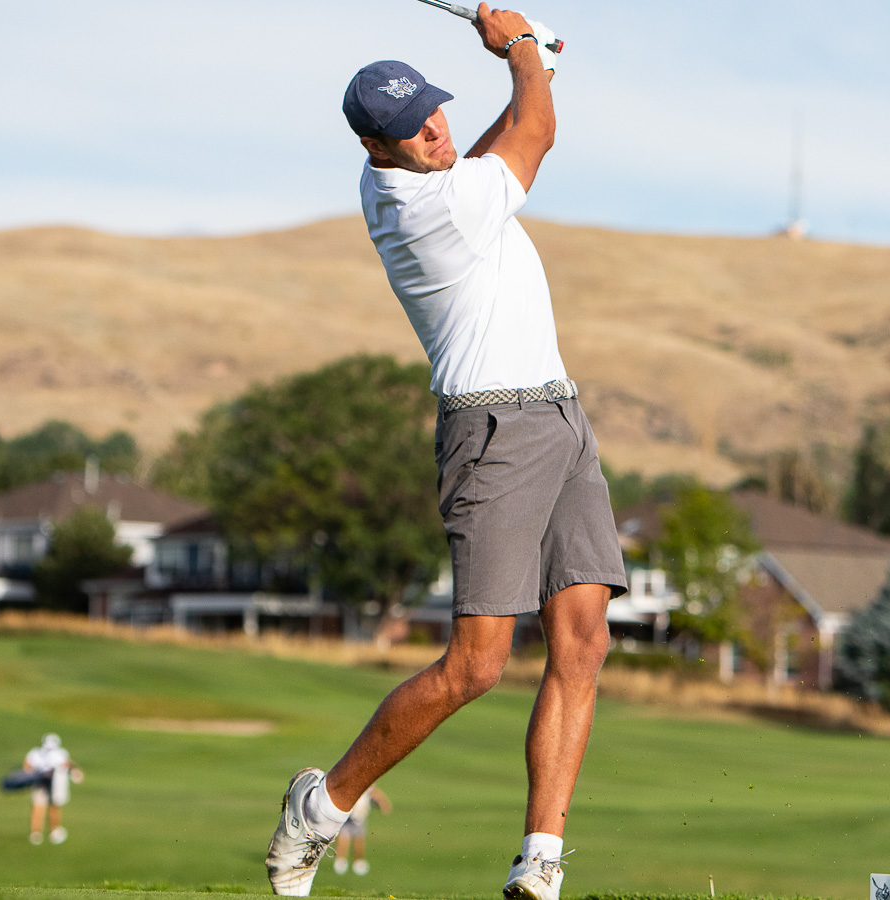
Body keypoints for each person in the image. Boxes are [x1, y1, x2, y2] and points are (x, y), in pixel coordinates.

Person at [266, 6, 626, 899]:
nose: (434, 130)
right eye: (410, 127)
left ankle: (540, 860)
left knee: (583, 638)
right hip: (493, 430)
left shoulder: (436, 176)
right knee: (478, 665)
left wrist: (528, 61)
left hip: (558, 413)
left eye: (435, 110)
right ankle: (323, 805)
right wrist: (521, 52)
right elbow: (533, 132)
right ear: (371, 142)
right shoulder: (427, 205)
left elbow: (498, 142)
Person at [22, 732, 83, 845]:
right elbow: (27, 766)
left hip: (54, 784)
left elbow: (67, 764)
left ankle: (52, 831)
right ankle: (36, 833)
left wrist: (74, 771)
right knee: (39, 807)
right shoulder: (36, 753)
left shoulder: (57, 753)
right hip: (40, 783)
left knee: (53, 807)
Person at [332, 784, 391, 876]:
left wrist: (383, 803)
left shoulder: (367, 786)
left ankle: (359, 862)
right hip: (348, 816)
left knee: (359, 840)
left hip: (360, 817)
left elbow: (374, 793)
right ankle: (340, 862)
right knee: (343, 839)